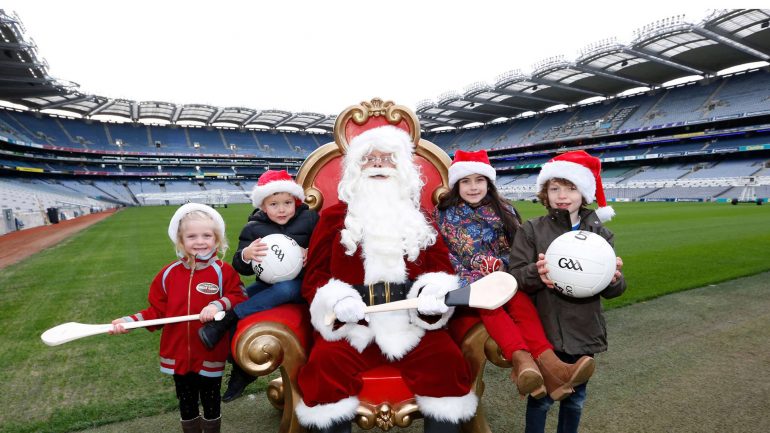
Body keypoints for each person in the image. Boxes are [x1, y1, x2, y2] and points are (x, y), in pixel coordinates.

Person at [296, 125, 477, 433]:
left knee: (447, 361)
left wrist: (433, 292)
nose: (378, 164)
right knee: (325, 365)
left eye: (388, 158)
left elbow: (443, 270)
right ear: (356, 168)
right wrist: (337, 301)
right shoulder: (333, 218)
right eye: (369, 158)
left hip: (412, 325)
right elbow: (314, 277)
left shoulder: (421, 219)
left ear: (402, 168)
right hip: (352, 327)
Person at [434, 149, 596, 401]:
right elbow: (448, 253)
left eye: (479, 180)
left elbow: (518, 249)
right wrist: (478, 270)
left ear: (489, 182)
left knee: (519, 301)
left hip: (502, 275)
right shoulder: (445, 213)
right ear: (457, 185)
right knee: (490, 303)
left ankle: (550, 366)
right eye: (466, 181)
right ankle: (522, 360)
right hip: (465, 282)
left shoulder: (505, 209)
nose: (473, 187)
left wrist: (501, 265)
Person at [508, 150, 626, 433]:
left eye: (571, 188)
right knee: (542, 400)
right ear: (545, 193)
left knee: (575, 400)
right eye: (554, 188)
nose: (562, 195)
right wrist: (537, 272)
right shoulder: (532, 230)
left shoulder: (600, 235)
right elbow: (514, 278)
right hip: (546, 330)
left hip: (585, 330)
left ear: (583, 192)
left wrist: (614, 280)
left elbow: (616, 289)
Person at [110, 203, 246, 433]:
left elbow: (239, 297)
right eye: (191, 236)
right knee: (186, 401)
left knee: (211, 400)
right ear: (181, 241)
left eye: (207, 235)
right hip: (178, 354)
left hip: (210, 351)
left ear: (217, 239)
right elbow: (157, 312)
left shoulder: (224, 271)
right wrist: (130, 321)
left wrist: (218, 304)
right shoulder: (167, 274)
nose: (200, 241)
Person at [198, 169, 319, 402]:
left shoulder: (310, 219)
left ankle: (229, 318)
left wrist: (311, 252)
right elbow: (239, 266)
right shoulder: (253, 228)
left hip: (302, 284)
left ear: (296, 201)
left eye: (287, 203)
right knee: (241, 295)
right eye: (274, 204)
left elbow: (327, 246)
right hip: (267, 284)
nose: (281, 209)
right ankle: (241, 370)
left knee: (286, 289)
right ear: (263, 206)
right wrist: (246, 255)